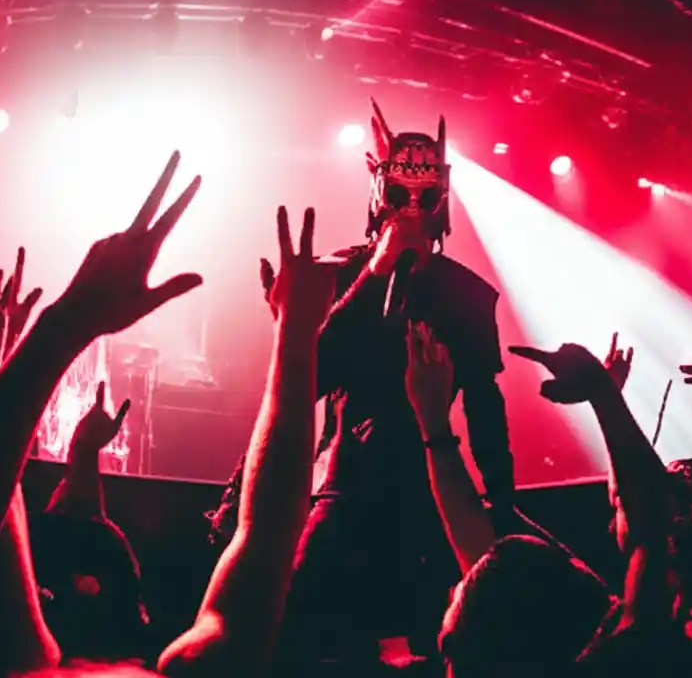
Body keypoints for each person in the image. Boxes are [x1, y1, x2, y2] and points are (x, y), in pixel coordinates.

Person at [213, 101, 513, 664]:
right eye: (400, 196)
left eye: (425, 199)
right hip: (345, 482)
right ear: (380, 196)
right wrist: (374, 275)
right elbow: (311, 375)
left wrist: (502, 503)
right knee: (302, 628)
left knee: (451, 637)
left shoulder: (470, 296)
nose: (412, 211)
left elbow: (485, 405)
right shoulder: (336, 274)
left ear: (442, 202)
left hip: (432, 488)